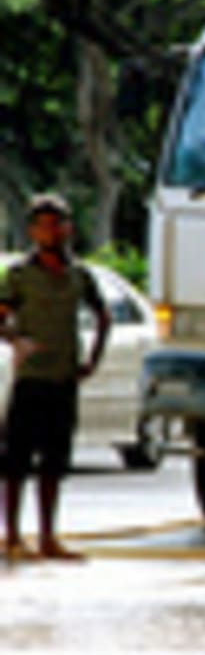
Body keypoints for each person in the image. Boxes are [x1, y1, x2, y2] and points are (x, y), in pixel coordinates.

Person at [0, 194, 110, 562]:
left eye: (58, 224)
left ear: (68, 229)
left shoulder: (80, 275)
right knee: (15, 462)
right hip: (31, 378)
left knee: (54, 462)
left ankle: (49, 536)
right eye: (44, 225)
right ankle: (12, 535)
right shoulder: (20, 276)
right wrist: (18, 340)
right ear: (33, 231)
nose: (52, 232)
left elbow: (102, 315)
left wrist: (91, 359)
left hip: (63, 380)